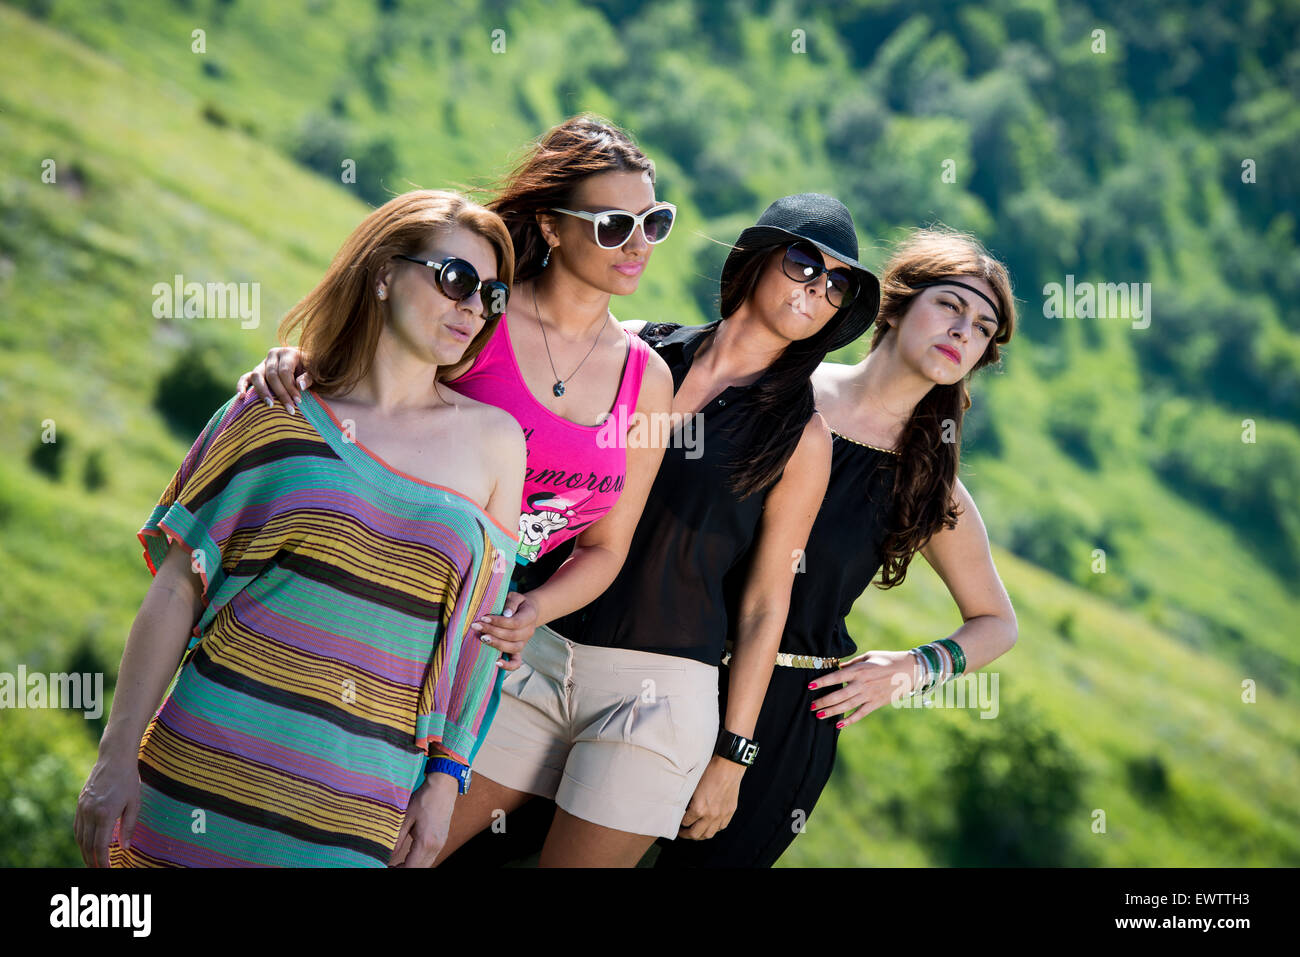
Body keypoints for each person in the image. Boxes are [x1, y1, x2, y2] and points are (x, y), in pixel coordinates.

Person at [74, 190, 525, 867]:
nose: (471, 306)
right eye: (456, 279)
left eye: (490, 294)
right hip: (197, 775)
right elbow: (176, 590)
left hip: (358, 811)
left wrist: (445, 781)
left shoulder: (496, 446)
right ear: (381, 273)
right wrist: (114, 757)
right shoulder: (273, 407)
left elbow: (477, 640)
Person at [435, 193, 881, 867]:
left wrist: (733, 755)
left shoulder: (802, 436)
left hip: (661, 694)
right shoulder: (639, 348)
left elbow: (767, 604)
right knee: (413, 839)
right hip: (536, 650)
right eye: (802, 261)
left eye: (837, 283)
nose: (817, 286)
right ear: (757, 260)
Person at [237, 114, 676, 678]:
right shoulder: (481, 313)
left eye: (653, 222)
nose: (638, 244)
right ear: (550, 226)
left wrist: (532, 610)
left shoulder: (649, 381)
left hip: (479, 637)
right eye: (614, 225)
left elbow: (605, 548)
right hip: (374, 580)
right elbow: (384, 386)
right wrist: (302, 365)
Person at [650, 226, 1020, 868]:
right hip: (659, 658)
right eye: (951, 306)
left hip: (786, 720)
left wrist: (914, 667)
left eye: (984, 327)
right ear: (897, 304)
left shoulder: (928, 476)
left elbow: (998, 622)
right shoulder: (780, 386)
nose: (965, 331)